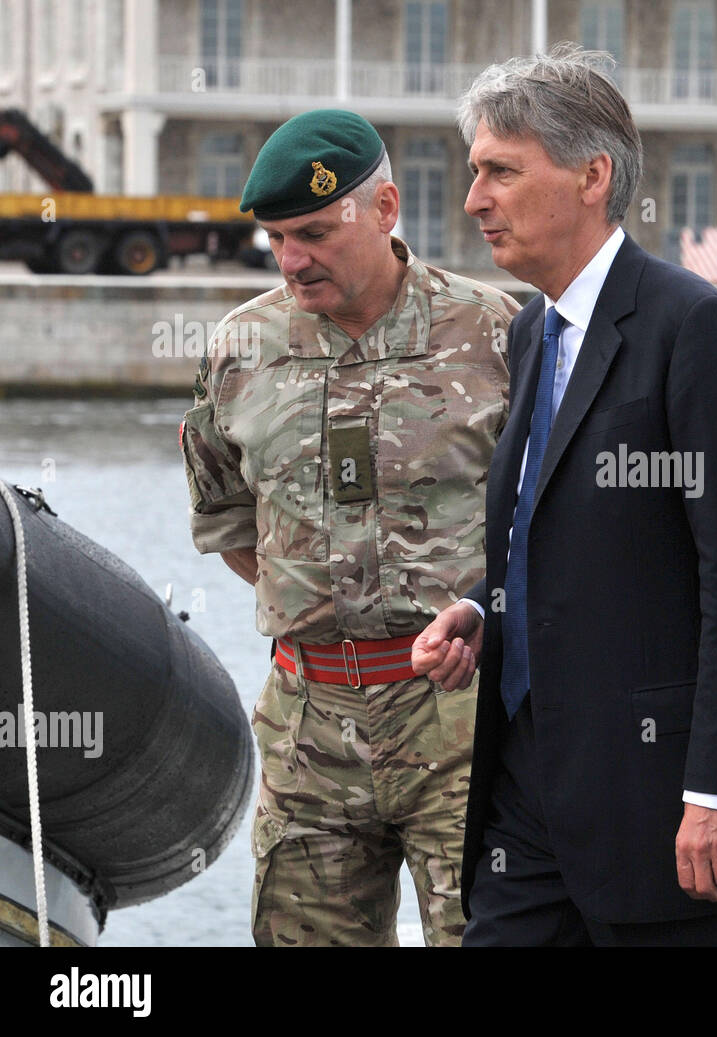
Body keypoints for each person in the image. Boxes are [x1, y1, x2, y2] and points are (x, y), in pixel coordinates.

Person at [411, 45, 717, 947]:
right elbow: (571, 538)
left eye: (500, 172)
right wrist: (489, 612)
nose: (474, 200)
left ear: (592, 176)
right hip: (526, 798)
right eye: (473, 172)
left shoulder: (692, 325)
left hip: (667, 812)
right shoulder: (533, 330)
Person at [180, 109, 517, 946]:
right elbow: (226, 518)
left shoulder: (498, 334)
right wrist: (319, 607)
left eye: (316, 233)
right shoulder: (240, 350)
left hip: (464, 717)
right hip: (309, 726)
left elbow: (550, 526)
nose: (294, 259)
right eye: (276, 239)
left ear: (385, 208)